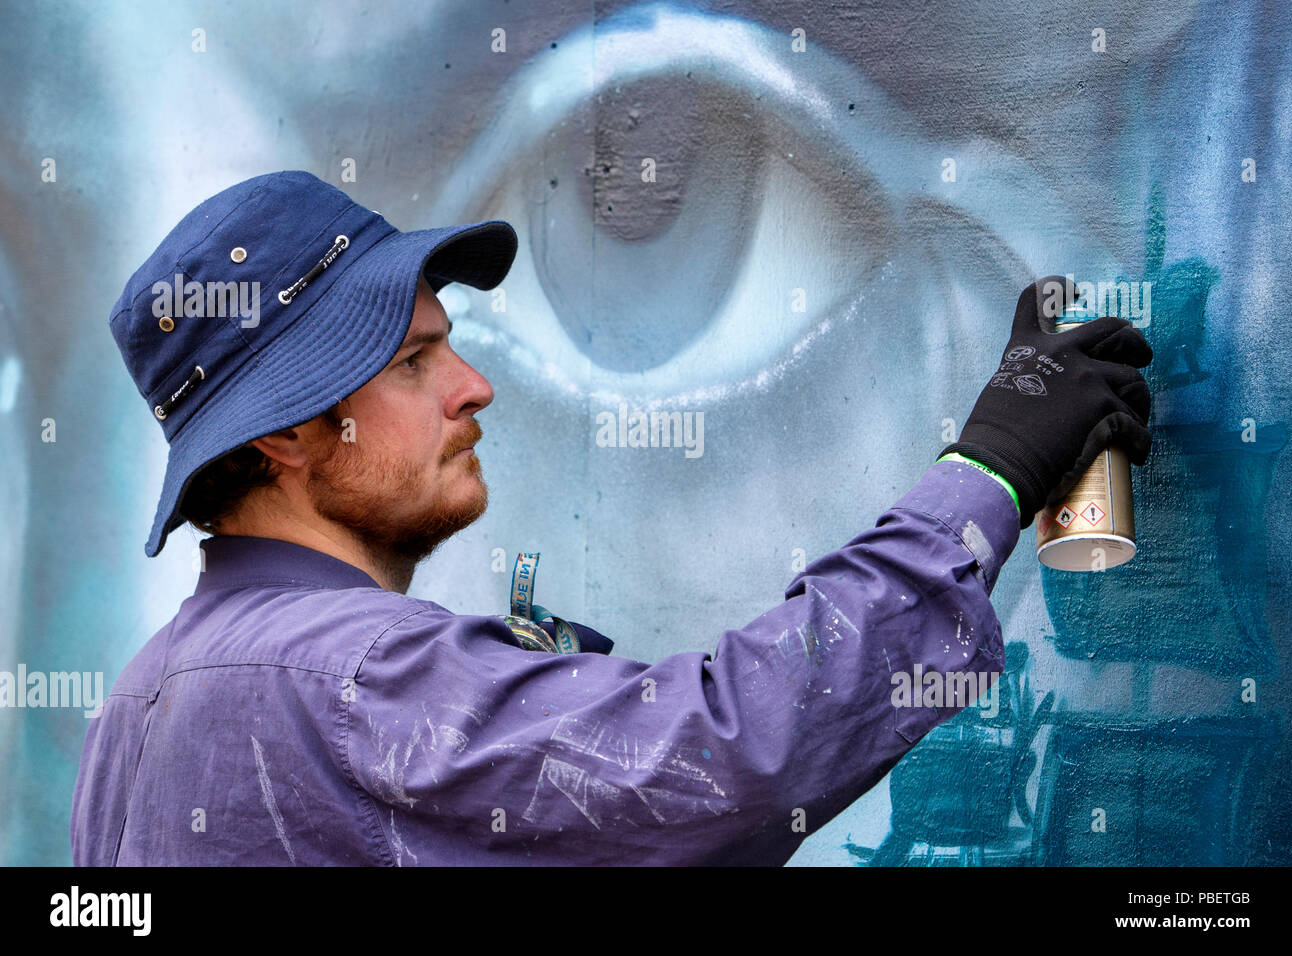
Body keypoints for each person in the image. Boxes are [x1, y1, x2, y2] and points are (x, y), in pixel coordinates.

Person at [71, 170, 1152, 865]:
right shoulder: (351, 677)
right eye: (411, 361)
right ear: (287, 440)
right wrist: (991, 475)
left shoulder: (141, 702)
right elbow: (728, 756)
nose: (471, 387)